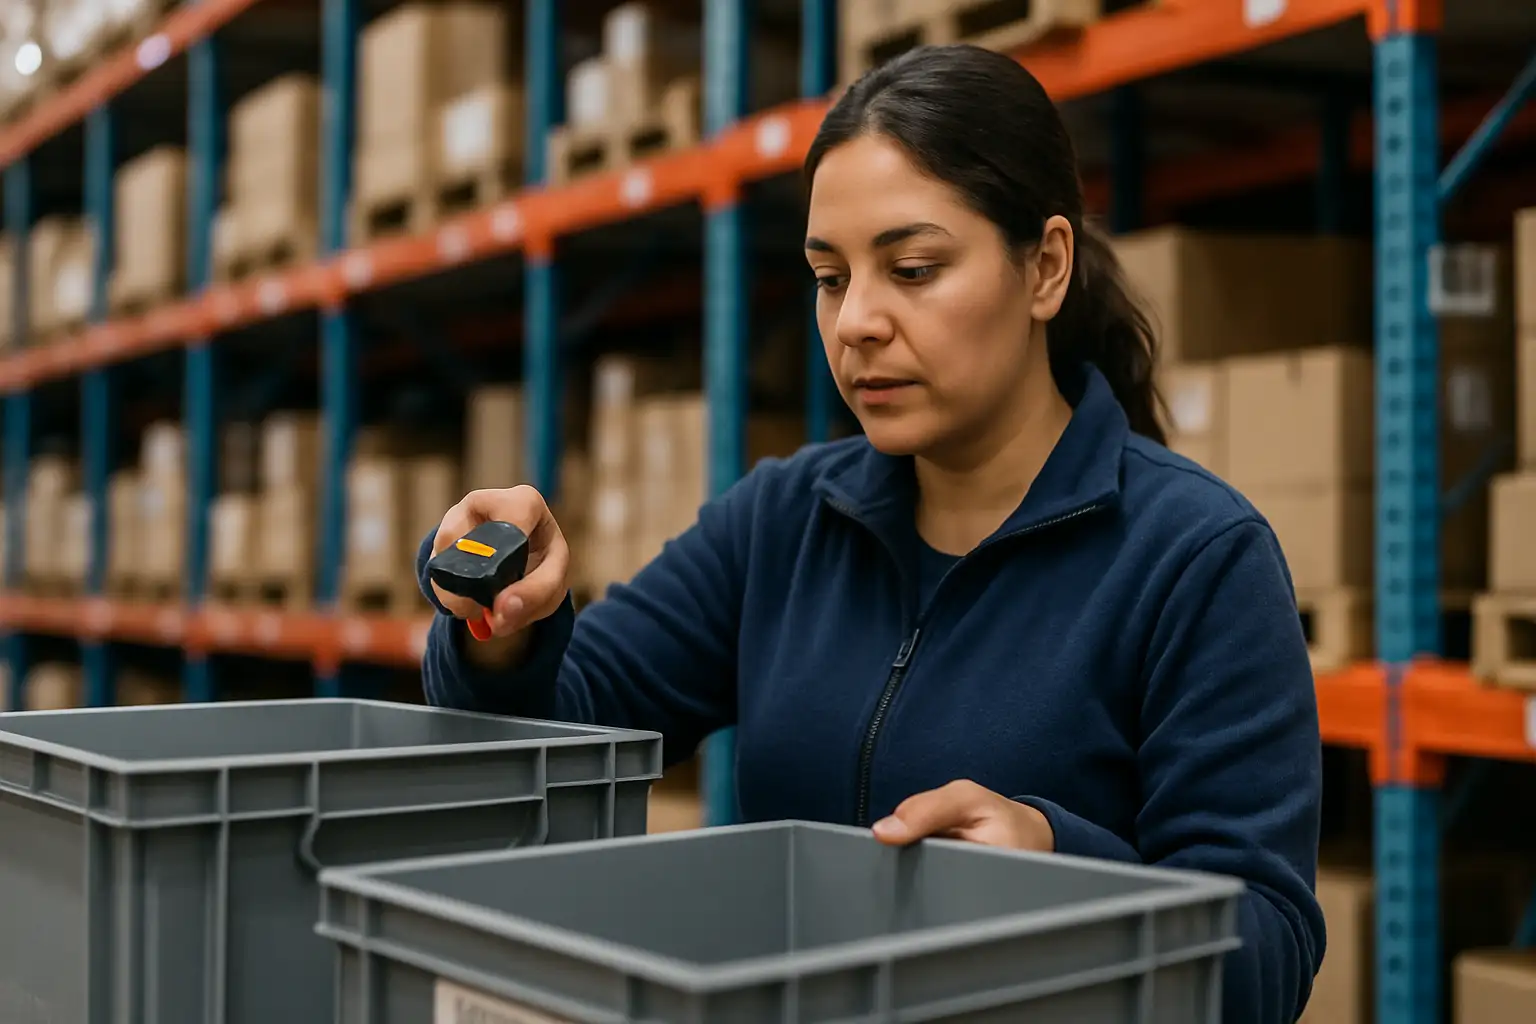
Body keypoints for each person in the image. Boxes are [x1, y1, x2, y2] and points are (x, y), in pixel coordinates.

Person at [417, 43, 1324, 1024]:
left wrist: (1062, 869)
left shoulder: (1196, 559)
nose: (856, 322)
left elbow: (1266, 952)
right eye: (829, 277)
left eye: (913, 268)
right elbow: (568, 724)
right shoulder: (785, 521)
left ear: (1045, 268)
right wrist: (507, 626)